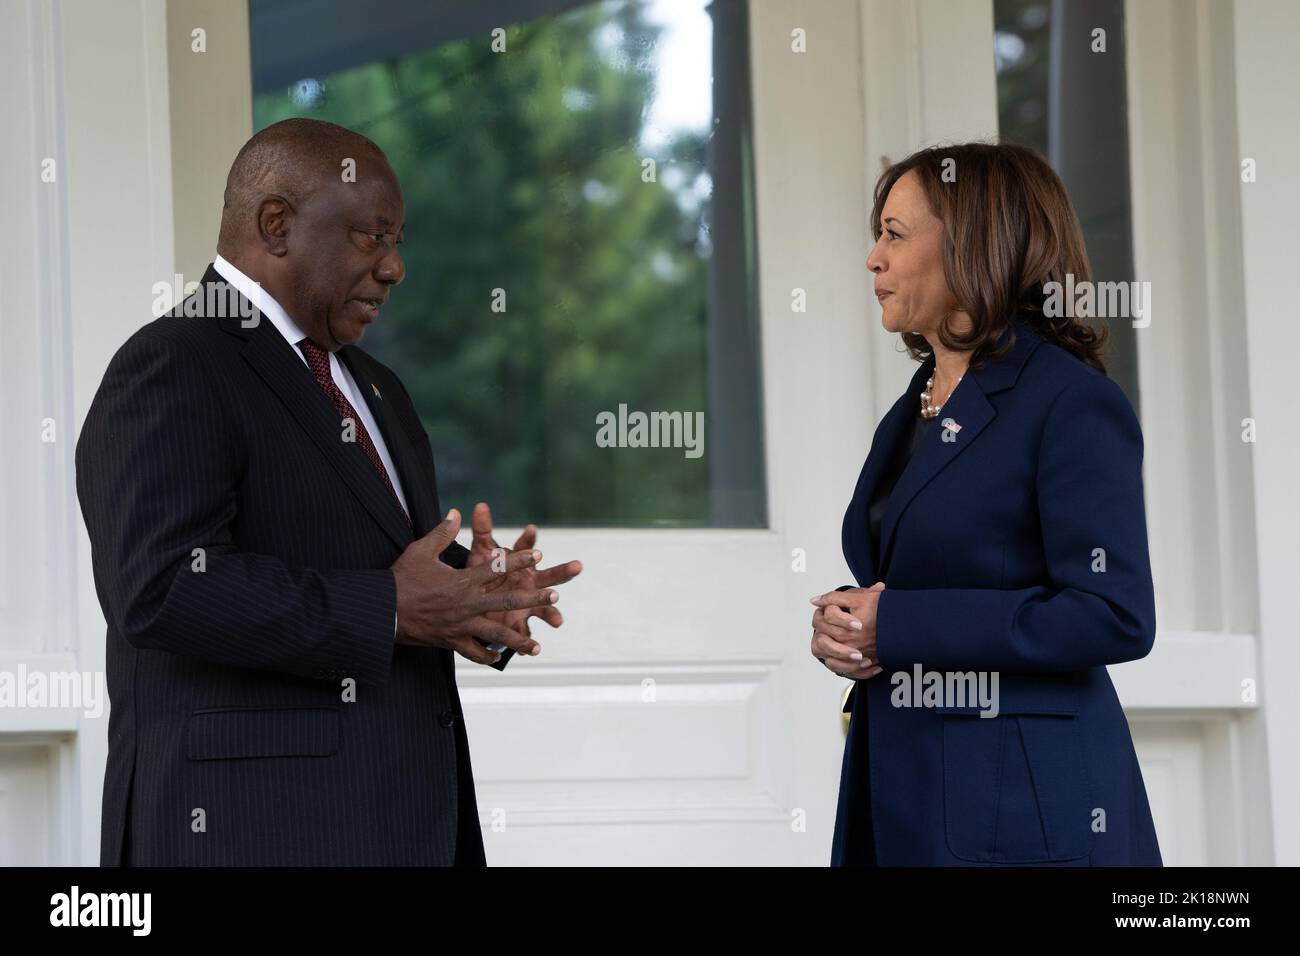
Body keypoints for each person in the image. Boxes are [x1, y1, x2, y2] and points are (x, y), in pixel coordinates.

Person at [75, 118, 581, 866]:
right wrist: (392, 608)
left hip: (406, 823)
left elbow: (384, 574)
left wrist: (469, 596)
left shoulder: (378, 389)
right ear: (276, 225)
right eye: (372, 236)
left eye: (398, 239)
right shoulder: (173, 362)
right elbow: (159, 586)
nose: (395, 267)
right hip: (254, 831)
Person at [811, 142, 1162, 866]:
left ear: (975, 243)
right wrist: (851, 624)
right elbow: (928, 579)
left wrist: (898, 624)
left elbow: (1113, 613)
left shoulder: (1070, 402)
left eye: (894, 235)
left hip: (1019, 811)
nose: (872, 259)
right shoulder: (916, 407)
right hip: (902, 791)